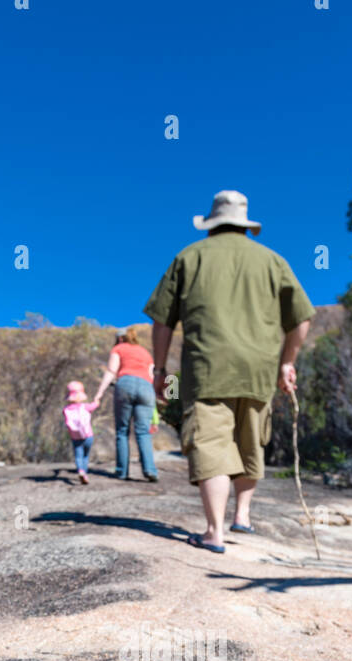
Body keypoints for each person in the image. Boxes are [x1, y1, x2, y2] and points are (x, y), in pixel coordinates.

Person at [144, 189, 314, 552]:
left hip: (207, 369)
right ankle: (243, 517)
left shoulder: (188, 257)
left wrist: (160, 370)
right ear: (245, 225)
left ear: (211, 224)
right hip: (258, 371)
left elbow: (162, 321)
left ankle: (214, 532)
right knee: (250, 442)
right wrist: (287, 362)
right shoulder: (273, 261)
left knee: (211, 444)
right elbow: (302, 320)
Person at [93, 326, 158, 482]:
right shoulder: (145, 352)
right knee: (143, 432)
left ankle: (122, 472)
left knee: (122, 431)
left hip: (125, 384)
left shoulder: (119, 348)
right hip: (147, 388)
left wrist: (99, 393)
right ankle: (150, 470)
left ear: (121, 338)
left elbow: (111, 371)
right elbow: (152, 375)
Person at [62, 380, 99, 484]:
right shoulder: (85, 407)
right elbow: (94, 405)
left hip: (75, 437)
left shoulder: (66, 409)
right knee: (85, 456)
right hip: (88, 436)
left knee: (78, 456)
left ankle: (80, 471)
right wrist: (97, 400)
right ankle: (85, 474)